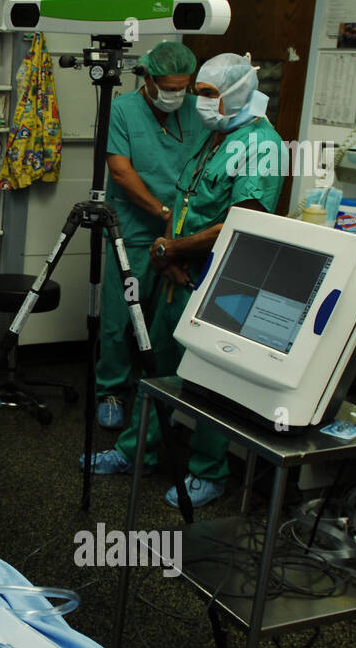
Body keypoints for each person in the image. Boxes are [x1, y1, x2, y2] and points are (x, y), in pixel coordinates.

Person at [83, 53, 286, 508]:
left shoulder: (262, 145)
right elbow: (188, 200)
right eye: (200, 93)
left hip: (222, 281)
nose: (200, 103)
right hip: (180, 272)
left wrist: (173, 249)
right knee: (160, 373)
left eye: (209, 94)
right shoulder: (216, 137)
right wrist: (168, 252)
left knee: (212, 380)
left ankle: (208, 472)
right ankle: (136, 451)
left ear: (236, 94)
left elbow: (243, 221)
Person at [96, 41, 200, 429]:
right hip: (136, 231)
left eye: (183, 87)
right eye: (169, 87)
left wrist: (183, 228)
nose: (177, 95)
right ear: (148, 77)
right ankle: (110, 390)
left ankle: (154, 397)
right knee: (121, 319)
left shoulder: (195, 110)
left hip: (185, 236)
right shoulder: (122, 110)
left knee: (166, 319)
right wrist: (164, 213)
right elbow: (121, 171)